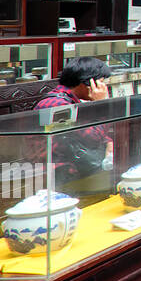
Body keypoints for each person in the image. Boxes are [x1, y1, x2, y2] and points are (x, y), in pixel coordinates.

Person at [32, 56, 114, 190]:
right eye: (101, 82)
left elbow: (81, 132)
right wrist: (101, 104)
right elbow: (92, 138)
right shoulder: (56, 105)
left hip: (70, 168)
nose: (104, 87)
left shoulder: (67, 101)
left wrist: (107, 140)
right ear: (88, 82)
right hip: (57, 174)